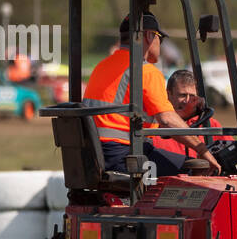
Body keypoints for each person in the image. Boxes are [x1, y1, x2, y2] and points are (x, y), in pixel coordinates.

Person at [83, 15, 220, 176]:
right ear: (148, 36)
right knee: (196, 170)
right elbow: (167, 119)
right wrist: (201, 148)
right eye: (159, 39)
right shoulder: (145, 71)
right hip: (124, 156)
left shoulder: (101, 67)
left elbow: (124, 117)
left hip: (93, 156)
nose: (160, 46)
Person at [150, 69, 234, 159]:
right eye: (182, 95)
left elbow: (232, 150)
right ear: (168, 94)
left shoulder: (209, 124)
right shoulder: (154, 124)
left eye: (192, 96)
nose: (187, 101)